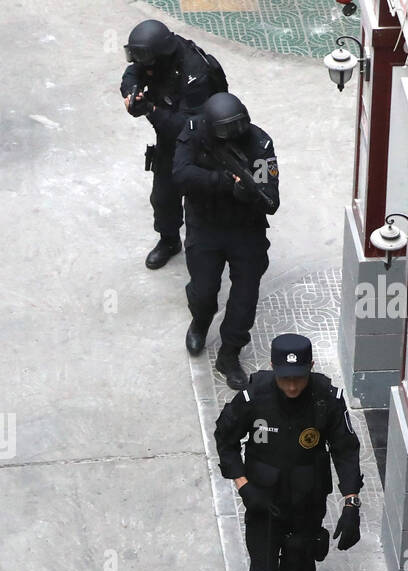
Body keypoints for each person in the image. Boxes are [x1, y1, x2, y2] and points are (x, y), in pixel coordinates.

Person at [213, 335, 362, 571]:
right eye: (285, 377)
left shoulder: (326, 398)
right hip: (264, 504)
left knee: (299, 568)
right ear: (274, 370)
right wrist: (243, 485)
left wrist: (351, 501)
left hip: (307, 504)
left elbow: (345, 448)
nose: (292, 385)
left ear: (310, 368)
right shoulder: (254, 397)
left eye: (298, 376)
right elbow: (225, 439)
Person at [170, 92, 279, 391]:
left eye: (237, 127)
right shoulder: (194, 134)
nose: (233, 135)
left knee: (245, 298)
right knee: (204, 291)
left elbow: (270, 197)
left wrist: (248, 194)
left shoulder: (258, 144)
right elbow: (180, 174)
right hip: (205, 225)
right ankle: (201, 322)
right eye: (224, 130)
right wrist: (223, 183)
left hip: (246, 228)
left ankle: (229, 353)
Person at [120, 19, 227, 270]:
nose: (141, 63)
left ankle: (208, 250)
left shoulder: (194, 74)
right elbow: (132, 73)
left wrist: (150, 109)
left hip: (200, 142)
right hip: (168, 138)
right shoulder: (155, 56)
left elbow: (188, 129)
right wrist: (132, 93)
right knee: (163, 196)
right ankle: (169, 240)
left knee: (202, 202)